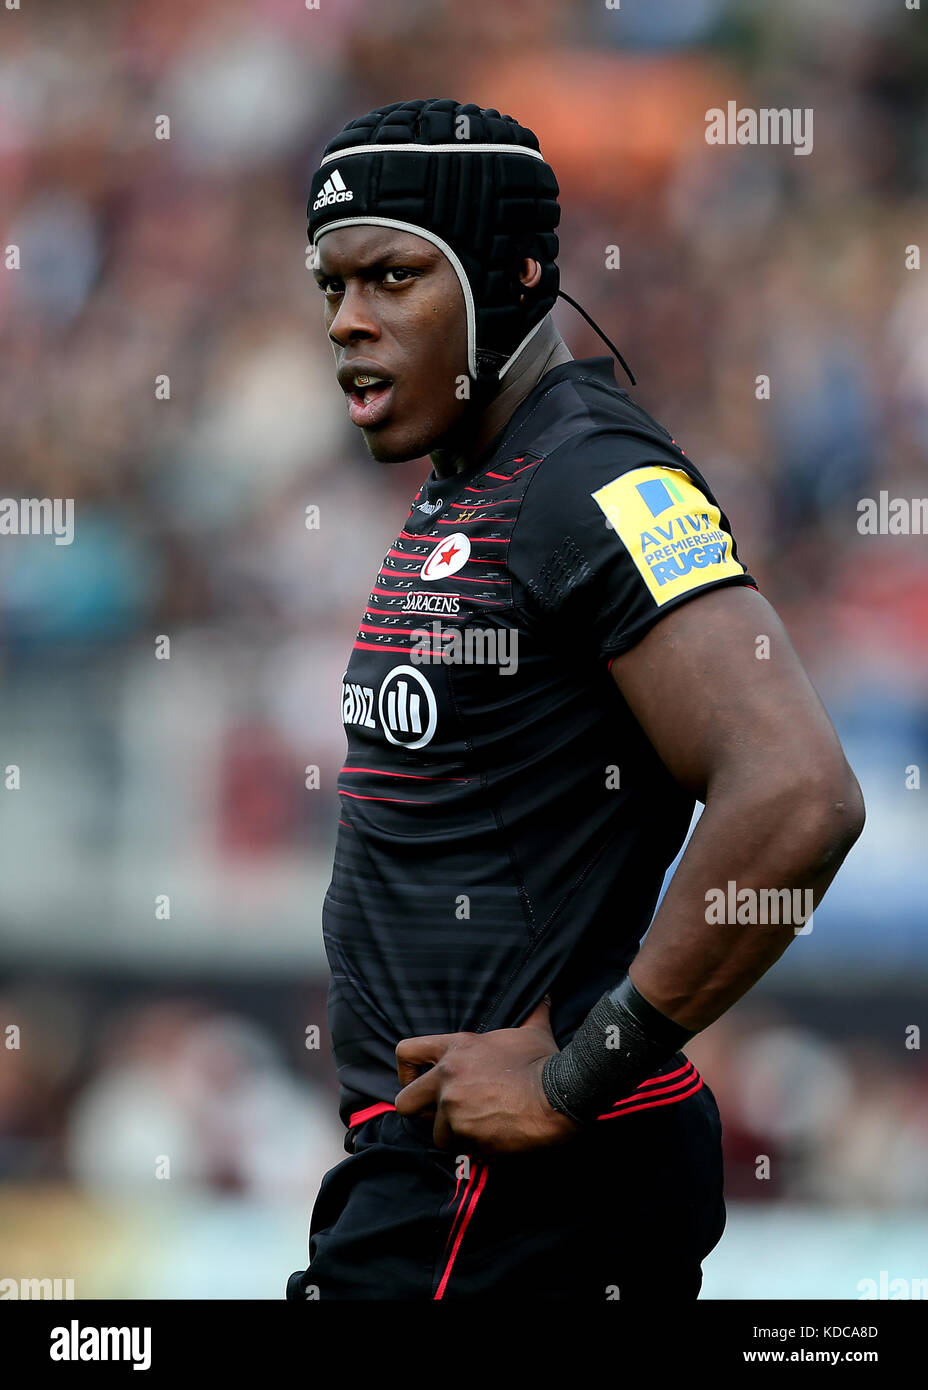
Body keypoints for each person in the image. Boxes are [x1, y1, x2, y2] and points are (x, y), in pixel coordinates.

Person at [287, 98, 865, 1301]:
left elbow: (799, 794)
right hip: (444, 1185)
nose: (348, 321)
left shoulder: (590, 477)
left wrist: (573, 1076)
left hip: (503, 1199)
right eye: (331, 285)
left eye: (392, 276)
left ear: (515, 276)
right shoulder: (479, 477)